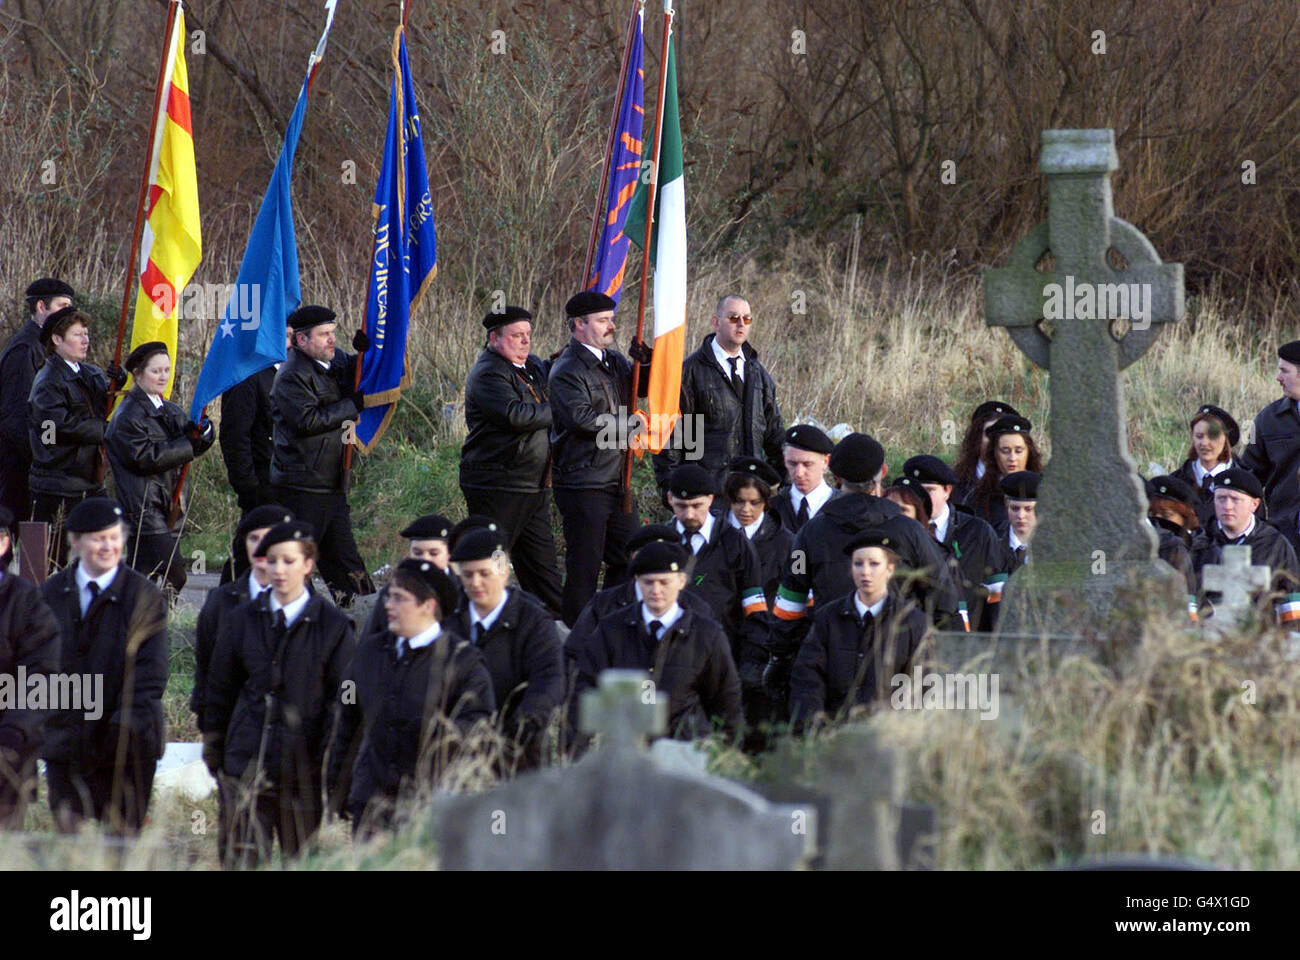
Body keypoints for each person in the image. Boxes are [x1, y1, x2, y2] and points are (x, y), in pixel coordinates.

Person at [205, 520, 356, 866]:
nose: (279, 570)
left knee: (299, 859)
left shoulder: (332, 626)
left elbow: (342, 700)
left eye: (289, 561)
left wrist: (325, 763)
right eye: (272, 561)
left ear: (308, 565)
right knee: (242, 858)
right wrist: (219, 753)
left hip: (303, 769)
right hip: (246, 762)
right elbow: (220, 690)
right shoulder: (242, 618)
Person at [768, 433, 960, 697]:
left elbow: (789, 604)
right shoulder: (911, 532)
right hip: (899, 665)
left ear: (835, 476)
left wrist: (781, 657)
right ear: (882, 472)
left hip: (830, 663)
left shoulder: (809, 534)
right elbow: (945, 600)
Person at [330, 558, 495, 838]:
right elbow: (346, 722)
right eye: (389, 596)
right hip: (371, 802)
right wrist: (337, 789)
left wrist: (429, 731)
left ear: (428, 606)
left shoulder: (463, 662)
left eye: (399, 598)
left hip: (431, 807)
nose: (388, 605)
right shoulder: (367, 654)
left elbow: (479, 729)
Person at [40, 498, 168, 835]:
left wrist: (120, 729)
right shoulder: (51, 594)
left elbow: (150, 677)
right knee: (70, 841)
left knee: (122, 844)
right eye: (98, 538)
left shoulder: (144, 596)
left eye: (114, 537)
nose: (108, 546)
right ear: (76, 542)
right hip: (65, 741)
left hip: (127, 745)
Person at [193, 503, 292, 862]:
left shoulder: (313, 610)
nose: (264, 549)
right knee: (241, 846)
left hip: (295, 749)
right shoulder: (222, 603)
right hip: (237, 744)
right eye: (254, 539)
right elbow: (205, 675)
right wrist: (214, 738)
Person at [548, 290, 652, 625]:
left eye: (611, 319)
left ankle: (609, 623)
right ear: (579, 324)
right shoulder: (566, 370)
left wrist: (647, 363)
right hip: (583, 481)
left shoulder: (616, 361)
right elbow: (582, 421)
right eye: (603, 320)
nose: (612, 326)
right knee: (584, 566)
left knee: (629, 555)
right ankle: (575, 638)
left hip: (617, 480)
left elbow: (644, 389)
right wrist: (632, 426)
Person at [570, 541, 742, 742]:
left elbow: (726, 700)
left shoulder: (705, 634)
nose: (656, 590)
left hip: (683, 748)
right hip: (625, 748)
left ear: (681, 581)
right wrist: (575, 753)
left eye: (664, 582)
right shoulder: (612, 629)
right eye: (648, 582)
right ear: (637, 581)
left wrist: (726, 757)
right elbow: (585, 689)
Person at [459, 306, 563, 616]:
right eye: (517, 336)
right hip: (497, 483)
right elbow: (515, 415)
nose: (525, 342)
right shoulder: (488, 372)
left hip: (532, 484)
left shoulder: (531, 366)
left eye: (528, 335)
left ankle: (555, 628)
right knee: (488, 561)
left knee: (543, 568)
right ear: (494, 338)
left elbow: (554, 373)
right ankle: (466, 620)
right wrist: (562, 410)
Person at [269, 304, 375, 606]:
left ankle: (360, 617)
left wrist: (366, 353)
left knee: (345, 561)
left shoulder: (333, 359)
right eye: (324, 334)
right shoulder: (291, 375)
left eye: (333, 332)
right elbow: (306, 421)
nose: (332, 340)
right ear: (302, 340)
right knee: (296, 561)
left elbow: (356, 371)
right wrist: (351, 406)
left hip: (332, 482)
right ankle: (297, 619)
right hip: (301, 485)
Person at [448, 528, 565, 772]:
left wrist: (523, 725)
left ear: (503, 571)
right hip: (455, 748)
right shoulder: (448, 619)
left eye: (484, 574)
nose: (475, 583)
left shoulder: (533, 621)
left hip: (518, 749)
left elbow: (549, 678)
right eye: (467, 575)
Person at [105, 341, 216, 596]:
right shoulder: (128, 416)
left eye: (166, 370)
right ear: (139, 374)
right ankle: (158, 620)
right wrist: (187, 444)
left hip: (167, 504)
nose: (163, 376)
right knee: (174, 573)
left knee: (140, 574)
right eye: (156, 371)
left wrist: (204, 432)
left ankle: (135, 621)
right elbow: (145, 458)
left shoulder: (168, 409)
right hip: (142, 509)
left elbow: (191, 443)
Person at [788, 530, 930, 729]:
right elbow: (808, 678)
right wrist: (816, 728)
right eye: (858, 564)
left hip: (888, 739)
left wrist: (899, 732)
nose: (865, 571)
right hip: (834, 735)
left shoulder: (912, 622)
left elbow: (921, 685)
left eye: (874, 564)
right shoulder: (828, 617)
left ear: (890, 569)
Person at [652, 294, 784, 492]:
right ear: (716, 322)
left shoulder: (758, 374)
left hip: (751, 492)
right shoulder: (689, 372)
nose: (741, 324)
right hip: (708, 494)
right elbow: (671, 440)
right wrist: (675, 492)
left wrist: (781, 484)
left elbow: (774, 434)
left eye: (747, 318)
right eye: (733, 317)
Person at [27, 307, 126, 571]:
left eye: (86, 334)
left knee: (100, 543)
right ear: (57, 340)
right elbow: (54, 426)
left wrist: (119, 384)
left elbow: (104, 401)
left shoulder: (89, 373)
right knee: (47, 562)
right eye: (77, 334)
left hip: (88, 478)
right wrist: (105, 430)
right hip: (57, 481)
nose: (85, 340)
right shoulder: (48, 380)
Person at [664, 464, 770, 690]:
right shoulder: (659, 544)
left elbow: (754, 611)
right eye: (681, 506)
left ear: (711, 500)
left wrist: (749, 667)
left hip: (721, 658)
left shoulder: (736, 545)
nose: (689, 514)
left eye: (696, 506)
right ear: (670, 499)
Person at [0, 508, 61, 828]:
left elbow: (40, 676)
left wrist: (13, 732)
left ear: (5, 543)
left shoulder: (27, 603)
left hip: (10, 753)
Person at [0, 278, 74, 533]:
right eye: (62, 306)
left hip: (36, 465)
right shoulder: (26, 350)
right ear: (41, 306)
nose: (68, 314)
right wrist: (40, 457)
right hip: (19, 466)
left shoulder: (46, 348)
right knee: (11, 537)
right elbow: (16, 416)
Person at [901, 454, 1006, 632]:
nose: (921, 499)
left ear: (947, 491)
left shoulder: (977, 533)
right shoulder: (902, 533)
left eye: (928, 490)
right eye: (914, 492)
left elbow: (997, 595)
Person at [1190, 469, 1300, 621]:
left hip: (1261, 636)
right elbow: (1189, 602)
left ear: (1254, 504)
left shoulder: (1275, 545)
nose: (1227, 506)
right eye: (1221, 498)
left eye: (1235, 499)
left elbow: (1291, 606)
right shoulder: (1199, 544)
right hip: (1209, 636)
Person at [220, 327, 292, 517]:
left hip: (294, 484)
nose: (291, 343)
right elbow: (235, 436)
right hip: (264, 485)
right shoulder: (247, 376)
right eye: (285, 335)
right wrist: (249, 488)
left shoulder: (294, 372)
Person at [360, 513, 458, 643]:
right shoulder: (392, 592)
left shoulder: (463, 591)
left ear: (449, 554)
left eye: (433, 553)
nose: (425, 560)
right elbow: (370, 642)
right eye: (418, 553)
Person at [1240, 341, 1300, 518]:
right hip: (1284, 531)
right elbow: (1248, 474)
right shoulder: (1265, 418)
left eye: (1284, 371)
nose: (1278, 377)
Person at [723, 456, 793, 606]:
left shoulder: (787, 543)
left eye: (755, 503)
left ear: (766, 502)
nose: (746, 510)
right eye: (739, 501)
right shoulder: (710, 533)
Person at [1171, 404, 1245, 527]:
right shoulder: (1176, 483)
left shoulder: (1245, 484)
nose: (1204, 443)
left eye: (1212, 436)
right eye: (1199, 436)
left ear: (1225, 439)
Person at [970, 415, 1043, 532]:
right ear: (994, 453)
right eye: (1005, 451)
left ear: (1029, 452)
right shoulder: (979, 497)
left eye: (1018, 451)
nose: (1012, 458)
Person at [1145, 475, 1199, 620]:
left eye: (1166, 515)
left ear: (1185, 518)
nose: (1158, 520)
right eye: (1151, 514)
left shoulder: (1206, 551)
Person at [770, 425, 841, 532]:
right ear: (784, 459)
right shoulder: (770, 510)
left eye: (807, 464)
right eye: (792, 463)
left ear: (826, 461)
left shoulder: (845, 508)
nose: (799, 473)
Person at [952, 400, 1019, 505]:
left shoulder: (1034, 484)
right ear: (976, 438)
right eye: (990, 434)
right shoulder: (955, 484)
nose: (996, 441)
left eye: (1002, 434)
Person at [1000, 471, 1039, 574]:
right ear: (1006, 507)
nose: (1021, 516)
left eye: (1028, 509)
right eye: (1015, 508)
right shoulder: (993, 542)